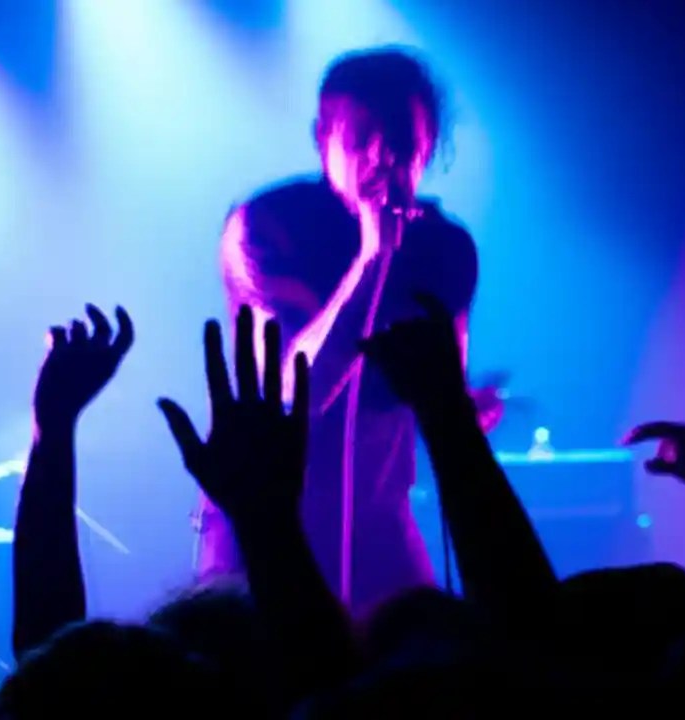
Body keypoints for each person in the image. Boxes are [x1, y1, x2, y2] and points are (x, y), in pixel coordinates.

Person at [196, 46, 501, 613]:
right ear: (323, 138)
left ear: (429, 147)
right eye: (362, 137)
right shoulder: (267, 227)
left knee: (420, 649)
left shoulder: (444, 247)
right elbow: (296, 392)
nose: (382, 158)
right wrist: (372, 259)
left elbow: (443, 384)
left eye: (402, 142)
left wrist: (463, 405)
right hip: (265, 519)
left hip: (379, 520)